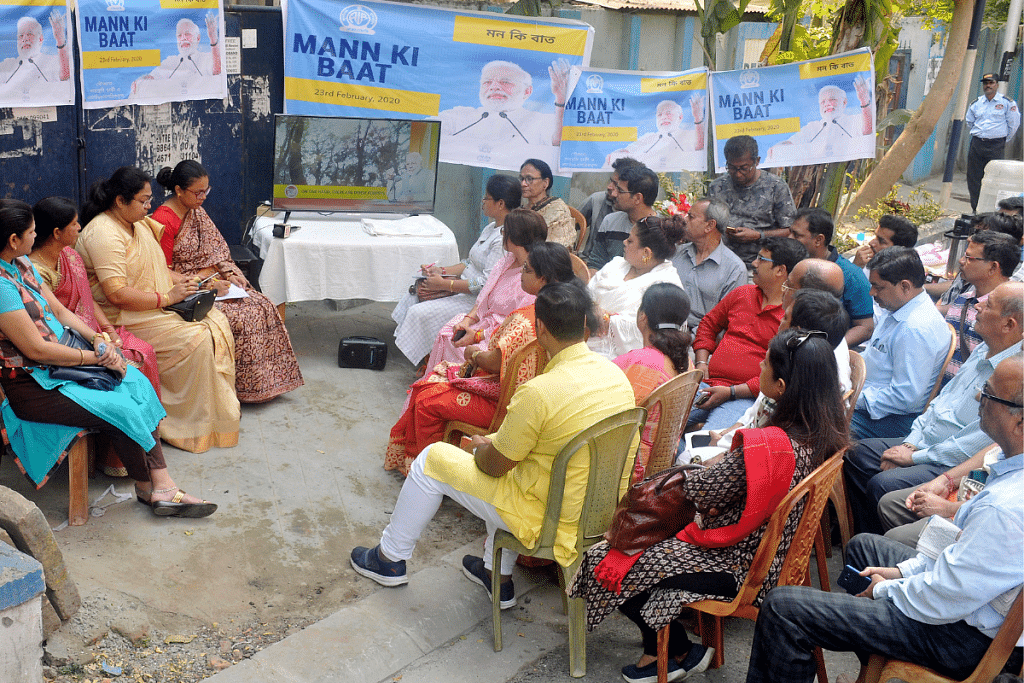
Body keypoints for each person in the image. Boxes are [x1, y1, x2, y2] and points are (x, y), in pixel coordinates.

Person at [570, 328, 848, 683]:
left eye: (764, 363)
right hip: (767, 549)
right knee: (645, 540)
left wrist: (684, 473)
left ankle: (671, 651)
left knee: (609, 557)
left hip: (738, 562)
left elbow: (702, 491)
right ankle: (677, 648)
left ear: (780, 386)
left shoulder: (771, 447)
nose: (758, 367)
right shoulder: (823, 431)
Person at [351, 282, 637, 611]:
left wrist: (481, 448)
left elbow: (495, 466)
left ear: (540, 328)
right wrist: (495, 446)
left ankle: (389, 557)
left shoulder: (539, 391)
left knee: (432, 461)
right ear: (586, 327)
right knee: (520, 465)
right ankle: (496, 575)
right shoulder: (616, 376)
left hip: (545, 517)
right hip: (597, 513)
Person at [744, 354, 1023, 683]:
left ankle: (877, 643)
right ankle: (871, 670)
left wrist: (886, 589)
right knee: (863, 548)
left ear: (1019, 422)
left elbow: (946, 595)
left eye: (988, 393)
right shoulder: (1009, 472)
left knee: (783, 608)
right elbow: (959, 562)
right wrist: (898, 573)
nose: (978, 397)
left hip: (961, 638)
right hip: (965, 607)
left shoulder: (1005, 507)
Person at [0, 199, 216, 518]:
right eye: (32, 232)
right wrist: (95, 358)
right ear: (14, 240)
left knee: (136, 382)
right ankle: (156, 487)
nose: (36, 237)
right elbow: (36, 351)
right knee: (122, 407)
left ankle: (156, 487)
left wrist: (100, 342)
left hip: (63, 366)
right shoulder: (2, 288)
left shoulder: (22, 265)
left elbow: (60, 312)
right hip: (34, 386)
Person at [75, 166, 239, 453]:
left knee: (217, 322)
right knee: (197, 338)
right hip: (122, 317)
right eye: (144, 200)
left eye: (150, 198)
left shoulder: (137, 224)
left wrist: (187, 282)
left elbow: (157, 270)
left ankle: (212, 419)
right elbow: (117, 294)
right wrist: (167, 297)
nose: (150, 206)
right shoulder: (104, 233)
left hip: (151, 305)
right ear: (120, 201)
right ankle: (180, 426)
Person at [385, 242, 581, 476]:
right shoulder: (571, 310)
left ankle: (427, 473)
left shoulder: (530, 318)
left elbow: (496, 361)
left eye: (526, 270)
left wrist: (473, 354)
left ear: (543, 279)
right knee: (431, 383)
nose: (520, 274)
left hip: (505, 404)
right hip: (522, 394)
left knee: (428, 398)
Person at [844, 281, 1023, 534]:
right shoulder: (985, 348)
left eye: (988, 304)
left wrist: (915, 457)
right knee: (858, 453)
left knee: (883, 484)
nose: (978, 305)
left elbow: (976, 442)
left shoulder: (1013, 374)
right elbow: (940, 400)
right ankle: (864, 533)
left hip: (951, 459)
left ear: (1008, 324)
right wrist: (911, 443)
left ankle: (876, 541)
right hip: (926, 441)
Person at [28, 197, 164, 478]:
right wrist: (99, 353)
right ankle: (123, 462)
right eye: (75, 224)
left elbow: (87, 303)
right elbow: (52, 326)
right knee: (127, 367)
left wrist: (107, 335)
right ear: (56, 233)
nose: (80, 228)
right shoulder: (28, 273)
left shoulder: (71, 256)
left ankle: (146, 461)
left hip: (90, 336)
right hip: (61, 352)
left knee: (144, 353)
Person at [152, 160, 303, 404]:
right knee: (243, 317)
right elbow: (160, 271)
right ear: (178, 190)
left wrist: (230, 272)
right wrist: (205, 285)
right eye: (197, 192)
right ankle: (243, 389)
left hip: (212, 280)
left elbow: (217, 251)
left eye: (206, 191)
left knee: (262, 303)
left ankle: (267, 382)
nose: (203, 197)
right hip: (185, 290)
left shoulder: (195, 210)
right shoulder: (163, 220)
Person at [693, 289, 851, 459]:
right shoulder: (804, 366)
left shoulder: (792, 391)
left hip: (747, 459)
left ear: (796, 332)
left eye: (784, 318)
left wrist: (722, 450)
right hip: (742, 443)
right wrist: (729, 433)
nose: (778, 324)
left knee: (685, 457)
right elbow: (755, 415)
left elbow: (752, 453)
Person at [392, 174, 521, 366]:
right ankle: (424, 354)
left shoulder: (503, 238)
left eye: (487, 198)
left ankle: (429, 359)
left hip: (475, 301)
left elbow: (485, 285)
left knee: (420, 313)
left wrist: (446, 284)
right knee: (414, 292)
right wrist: (440, 271)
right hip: (461, 289)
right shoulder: (490, 228)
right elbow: (469, 262)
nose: (483, 202)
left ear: (500, 204)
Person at [690, 237, 807, 430]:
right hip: (707, 384)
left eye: (762, 259)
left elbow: (782, 371)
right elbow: (708, 325)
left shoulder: (791, 317)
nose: (754, 263)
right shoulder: (742, 293)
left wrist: (732, 392)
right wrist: (702, 362)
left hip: (745, 398)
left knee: (711, 447)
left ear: (780, 270)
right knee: (661, 421)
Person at [422, 208, 547, 372]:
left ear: (515, 237)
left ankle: (455, 383)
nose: (502, 234)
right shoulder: (507, 260)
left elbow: (516, 327)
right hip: (485, 323)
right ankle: (438, 380)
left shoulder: (530, 279)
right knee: (448, 333)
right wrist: (467, 320)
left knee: (461, 347)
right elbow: (484, 297)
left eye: (505, 231)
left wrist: (478, 335)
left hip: (499, 336)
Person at [852, 247, 952, 441]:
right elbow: (875, 356)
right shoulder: (897, 309)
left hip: (893, 418)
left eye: (878, 287)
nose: (872, 292)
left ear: (905, 286)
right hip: (873, 399)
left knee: (816, 423)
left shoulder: (915, 328)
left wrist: (852, 399)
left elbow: (905, 398)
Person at [612, 282, 691, 482]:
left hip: (627, 468)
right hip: (661, 465)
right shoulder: (688, 363)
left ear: (643, 317)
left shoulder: (639, 362)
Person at [586, 215, 685, 360]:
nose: (624, 242)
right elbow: (586, 293)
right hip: (585, 336)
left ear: (646, 253)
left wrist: (606, 320)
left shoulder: (667, 287)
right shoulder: (616, 264)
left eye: (630, 241)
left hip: (628, 359)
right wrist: (591, 309)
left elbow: (647, 332)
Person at [937, 230, 1017, 383]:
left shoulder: (1008, 314)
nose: (961, 261)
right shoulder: (962, 299)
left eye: (969, 258)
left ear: (993, 267)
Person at [787, 208, 873, 346]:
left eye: (796, 235)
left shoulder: (851, 275)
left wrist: (831, 349)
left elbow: (865, 327)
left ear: (818, 240)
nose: (789, 238)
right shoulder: (789, 263)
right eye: (790, 232)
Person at [708, 135, 797, 266]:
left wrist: (758, 235)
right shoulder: (717, 187)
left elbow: (791, 230)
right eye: (732, 168)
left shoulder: (776, 187)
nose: (738, 174)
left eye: (744, 168)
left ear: (757, 161)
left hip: (761, 265)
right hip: (721, 262)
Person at [439, 59, 569, 147]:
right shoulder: (459, 116)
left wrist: (561, 99)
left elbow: (558, 143)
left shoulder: (540, 120)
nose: (494, 87)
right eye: (487, 82)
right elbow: (429, 131)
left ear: (527, 91)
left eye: (505, 82)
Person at [669, 198, 746, 330]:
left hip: (700, 341)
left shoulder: (735, 270)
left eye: (691, 217)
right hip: (664, 329)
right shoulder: (676, 253)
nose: (684, 220)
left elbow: (726, 323)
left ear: (709, 226)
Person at [766, 79, 873, 163]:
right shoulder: (813, 127)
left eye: (832, 99)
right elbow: (792, 142)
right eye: (823, 102)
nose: (827, 104)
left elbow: (867, 130)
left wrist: (864, 102)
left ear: (844, 102)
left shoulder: (853, 119)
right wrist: (778, 147)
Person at [584, 164, 659, 272]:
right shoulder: (610, 221)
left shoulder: (661, 230)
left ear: (638, 198)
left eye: (620, 190)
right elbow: (595, 265)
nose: (614, 194)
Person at [131, 15, 223, 99]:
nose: (183, 38)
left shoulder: (206, 58)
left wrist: (213, 40)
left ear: (198, 38)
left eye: (187, 34)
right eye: (179, 35)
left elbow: (217, 71)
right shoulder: (171, 61)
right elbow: (152, 77)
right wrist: (140, 81)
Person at [965, 73, 1020, 212]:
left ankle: (992, 211)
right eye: (985, 83)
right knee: (974, 178)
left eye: (991, 82)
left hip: (996, 145)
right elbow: (970, 122)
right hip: (977, 144)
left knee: (995, 178)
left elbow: (1013, 124)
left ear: (997, 84)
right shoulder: (976, 103)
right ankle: (976, 210)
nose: (988, 85)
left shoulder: (1007, 103)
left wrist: (1001, 139)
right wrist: (981, 135)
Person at [604, 98, 706, 169]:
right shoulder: (649, 138)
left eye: (668, 113)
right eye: (660, 115)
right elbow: (627, 151)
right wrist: (614, 155)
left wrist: (697, 118)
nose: (664, 117)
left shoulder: (689, 134)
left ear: (680, 117)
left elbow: (700, 146)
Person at [576, 157, 641, 257]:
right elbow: (569, 225)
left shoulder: (639, 214)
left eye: (616, 185)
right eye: (610, 181)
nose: (609, 187)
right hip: (589, 264)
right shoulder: (597, 200)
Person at [0, 13, 70, 102]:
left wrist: (60, 40)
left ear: (40, 39)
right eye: (21, 36)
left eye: (29, 34)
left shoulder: (52, 61)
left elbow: (65, 75)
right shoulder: (8, 64)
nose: (24, 39)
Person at [519, 159, 575, 248]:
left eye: (529, 179)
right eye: (522, 179)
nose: (523, 184)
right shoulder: (521, 209)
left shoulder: (558, 211)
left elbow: (559, 250)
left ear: (545, 183)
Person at [852, 214, 918, 270]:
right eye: (875, 236)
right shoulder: (860, 262)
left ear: (899, 250)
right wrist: (855, 267)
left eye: (881, 241)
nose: (871, 243)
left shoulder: (903, 278)